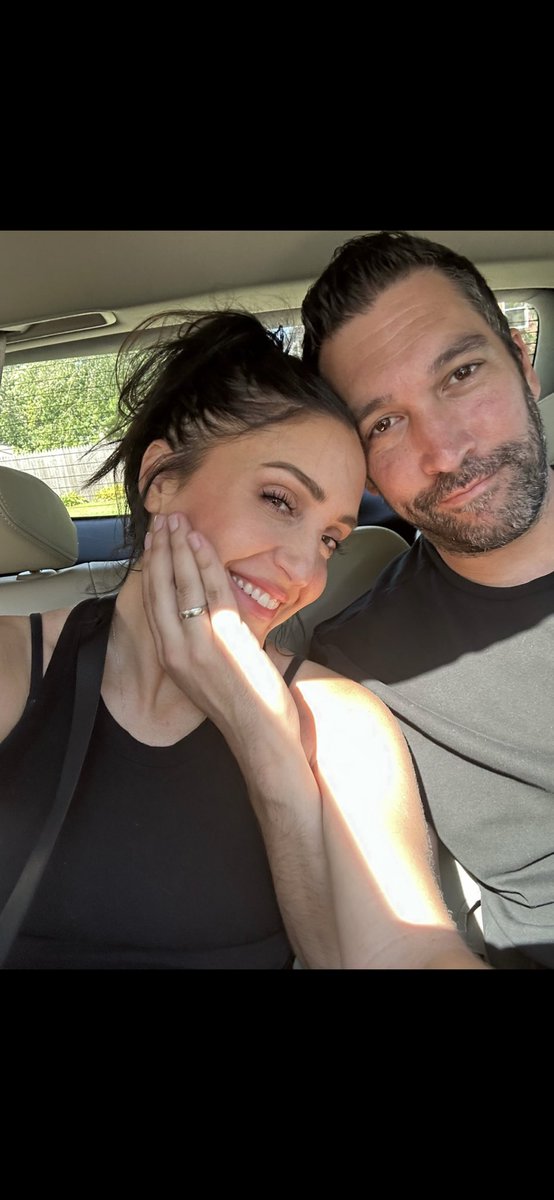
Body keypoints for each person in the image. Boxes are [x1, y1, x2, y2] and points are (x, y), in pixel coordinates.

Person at [0, 307, 485, 970]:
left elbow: (406, 952)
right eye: (279, 500)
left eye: (331, 540)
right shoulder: (15, 664)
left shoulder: (341, 723)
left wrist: (267, 747)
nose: (304, 571)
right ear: (162, 481)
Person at [301, 229, 554, 970]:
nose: (445, 452)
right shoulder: (354, 672)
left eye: (461, 373)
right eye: (384, 423)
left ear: (523, 362)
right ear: (363, 468)